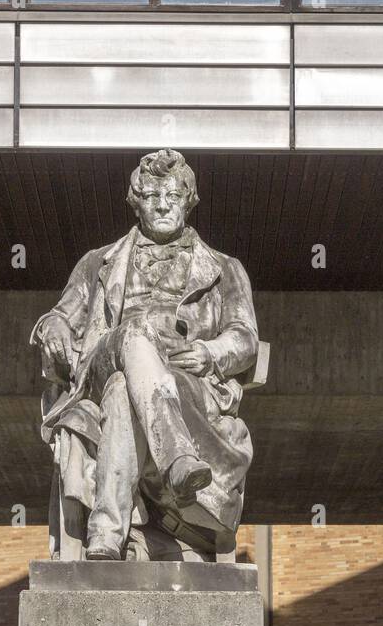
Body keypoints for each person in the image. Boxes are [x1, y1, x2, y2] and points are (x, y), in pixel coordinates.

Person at [32, 148, 259, 562]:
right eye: (152, 197)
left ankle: (107, 531)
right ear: (136, 202)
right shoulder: (97, 262)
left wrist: (209, 352)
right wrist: (56, 327)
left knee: (124, 389)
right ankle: (176, 457)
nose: (162, 205)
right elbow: (59, 316)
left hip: (184, 383)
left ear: (188, 202)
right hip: (103, 363)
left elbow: (244, 337)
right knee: (135, 334)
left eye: (172, 197)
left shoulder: (225, 268)